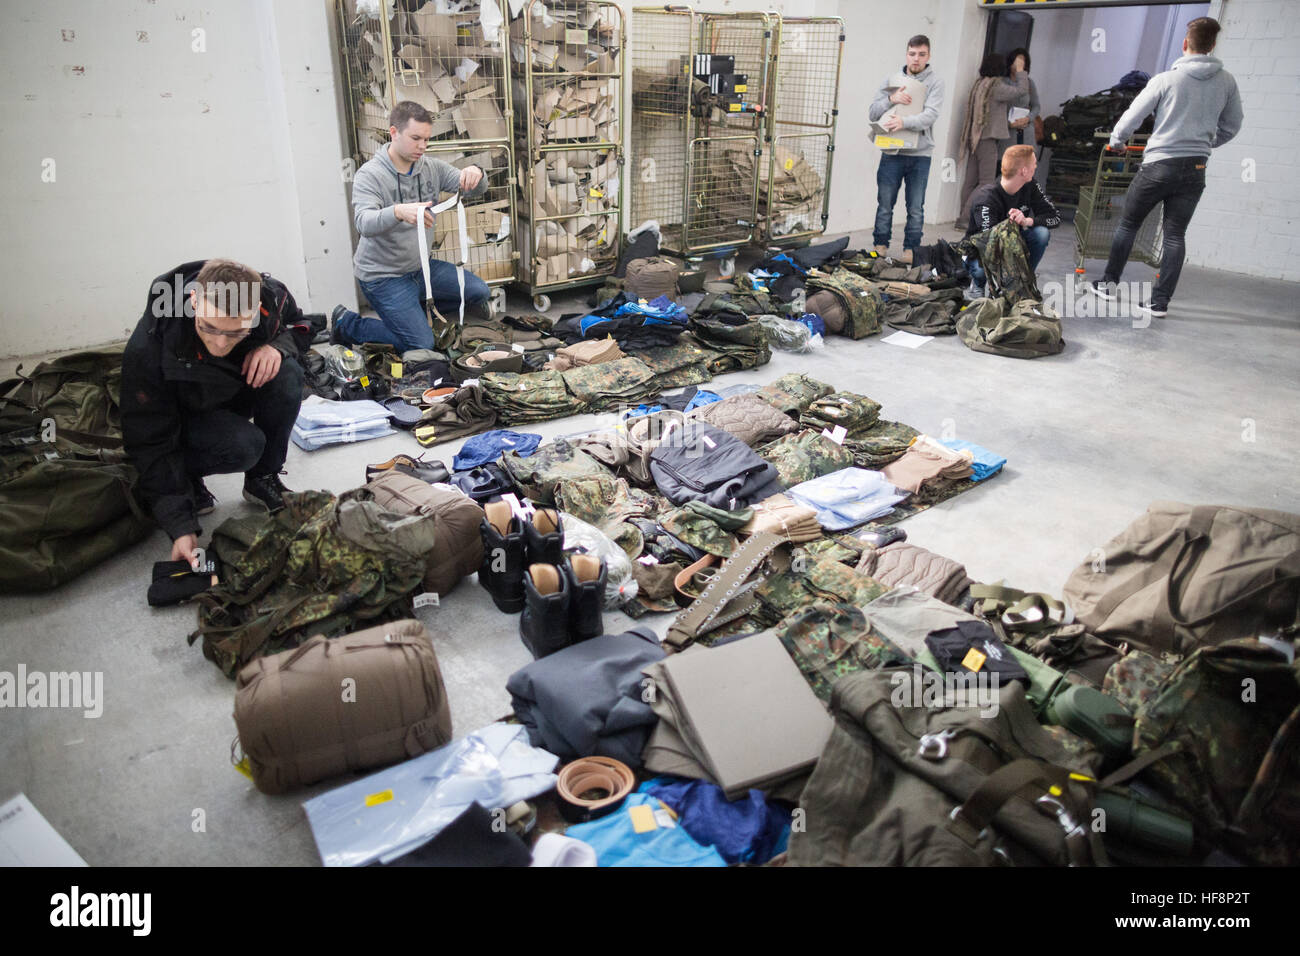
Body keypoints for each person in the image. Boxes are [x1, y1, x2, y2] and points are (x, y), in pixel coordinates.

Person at [122, 258, 306, 568]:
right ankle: (190, 477)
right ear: (194, 300)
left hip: (227, 392)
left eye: (236, 332)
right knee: (244, 446)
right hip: (182, 418)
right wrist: (179, 525)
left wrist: (277, 346)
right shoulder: (151, 345)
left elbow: (302, 326)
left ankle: (263, 478)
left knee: (287, 372)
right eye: (209, 327)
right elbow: (148, 439)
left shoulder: (269, 297)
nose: (220, 343)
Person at [1085, 16, 1243, 319]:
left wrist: (1117, 140)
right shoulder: (1227, 81)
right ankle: (1159, 303)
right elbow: (1233, 125)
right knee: (1174, 236)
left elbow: (1133, 114)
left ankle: (1108, 284)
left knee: (1128, 224)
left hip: (1158, 165)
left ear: (1185, 44)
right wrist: (1206, 145)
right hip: (1196, 168)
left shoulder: (1165, 80)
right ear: (1212, 45)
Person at [331, 100, 491, 351]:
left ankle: (411, 313)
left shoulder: (430, 167)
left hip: (421, 270)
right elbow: (364, 223)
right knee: (422, 343)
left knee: (479, 291)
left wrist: (477, 172)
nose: (422, 146)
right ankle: (347, 323)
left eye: (427, 139)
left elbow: (470, 188)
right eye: (416, 138)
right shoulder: (369, 175)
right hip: (384, 277)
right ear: (393, 132)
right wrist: (397, 212)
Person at [866, 34, 944, 263]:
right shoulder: (892, 79)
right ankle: (880, 246)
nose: (916, 59)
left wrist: (904, 122)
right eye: (912, 54)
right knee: (885, 203)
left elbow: (930, 115)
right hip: (891, 153)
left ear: (928, 55)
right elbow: (873, 112)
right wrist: (892, 98)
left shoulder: (936, 82)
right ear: (906, 54)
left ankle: (911, 250)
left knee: (916, 207)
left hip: (920, 155)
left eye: (921, 54)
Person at [963, 144, 1062, 298]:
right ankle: (977, 283)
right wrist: (1007, 225)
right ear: (1023, 171)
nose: (1036, 166)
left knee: (1041, 233)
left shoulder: (1030, 185)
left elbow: (1055, 218)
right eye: (1034, 164)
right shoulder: (986, 198)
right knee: (981, 269)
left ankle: (1022, 283)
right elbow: (988, 245)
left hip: (1013, 246)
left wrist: (1027, 221)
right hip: (982, 250)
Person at [955, 54, 1029, 228]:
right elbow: (1021, 90)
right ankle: (966, 219)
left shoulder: (980, 84)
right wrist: (1020, 71)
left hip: (975, 137)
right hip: (987, 139)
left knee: (970, 180)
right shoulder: (996, 87)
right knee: (986, 181)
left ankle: (964, 218)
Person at [998, 48, 1040, 156]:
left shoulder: (1029, 83)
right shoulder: (1002, 82)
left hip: (1026, 131)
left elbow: (1036, 106)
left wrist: (1028, 118)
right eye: (1016, 62)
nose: (1018, 66)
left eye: (1022, 62)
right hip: (1008, 132)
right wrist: (1008, 123)